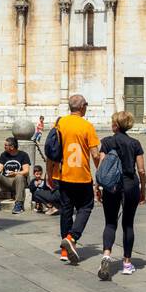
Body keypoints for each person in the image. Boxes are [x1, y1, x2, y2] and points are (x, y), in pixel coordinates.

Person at [48, 94, 101, 263]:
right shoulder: (87, 126)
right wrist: (100, 173)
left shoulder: (60, 123)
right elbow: (95, 154)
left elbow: (51, 150)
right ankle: (71, 238)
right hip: (82, 176)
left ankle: (65, 252)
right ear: (82, 107)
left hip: (63, 175)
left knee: (66, 211)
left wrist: (49, 174)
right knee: (86, 206)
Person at [97, 111, 146, 280]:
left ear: (116, 125)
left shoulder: (106, 142)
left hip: (111, 186)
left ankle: (106, 256)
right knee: (128, 224)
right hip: (130, 185)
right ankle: (127, 263)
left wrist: (98, 186)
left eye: (113, 122)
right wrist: (143, 190)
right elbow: (141, 170)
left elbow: (102, 167)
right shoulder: (135, 143)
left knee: (110, 223)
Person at [0, 136, 29, 214]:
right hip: (6, 180)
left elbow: (26, 171)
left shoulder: (23, 155)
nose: (4, 147)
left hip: (17, 181)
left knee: (20, 176)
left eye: (6, 145)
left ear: (12, 147)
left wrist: (15, 173)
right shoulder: (3, 155)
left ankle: (19, 204)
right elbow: (0, 168)